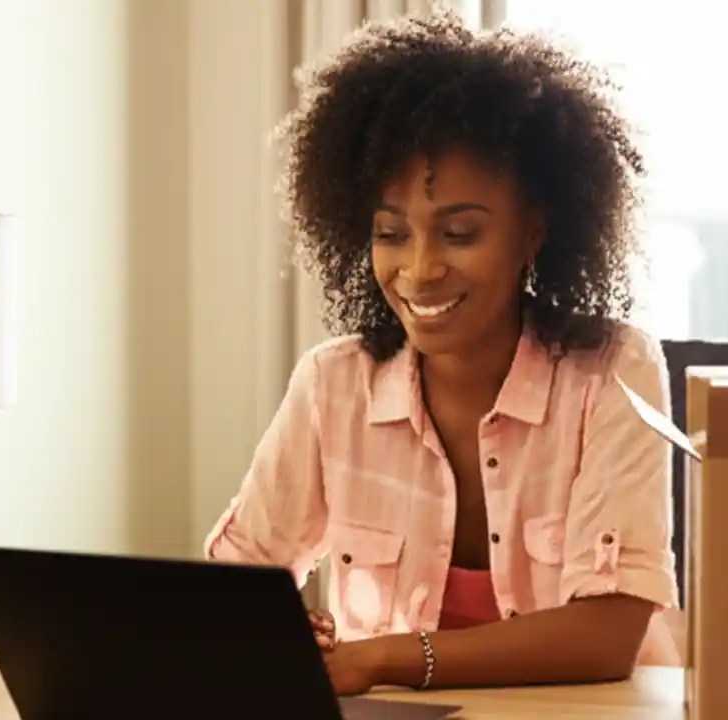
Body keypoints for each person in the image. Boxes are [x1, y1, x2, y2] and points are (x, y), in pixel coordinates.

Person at [203, 8, 682, 696]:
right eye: (391, 233)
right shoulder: (333, 384)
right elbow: (233, 586)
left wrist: (382, 658)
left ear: (534, 231)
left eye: (459, 233)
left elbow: (604, 637)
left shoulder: (611, 372)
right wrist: (266, 628)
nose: (420, 269)